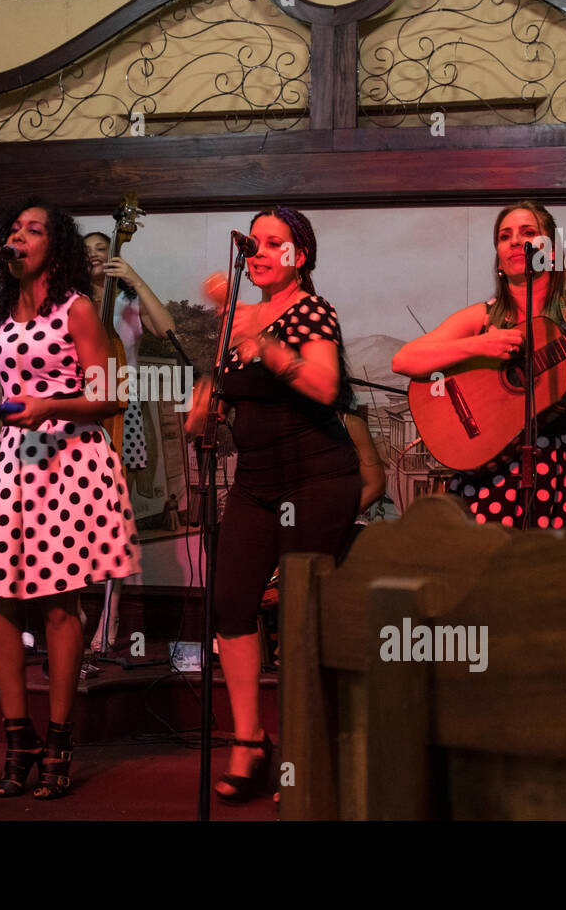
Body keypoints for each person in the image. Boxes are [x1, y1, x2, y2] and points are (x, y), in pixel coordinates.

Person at [0, 197, 140, 800]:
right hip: (16, 460)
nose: (19, 237)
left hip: (70, 458)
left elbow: (112, 399)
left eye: (34, 229)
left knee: (59, 602)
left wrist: (52, 404)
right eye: (14, 230)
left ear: (54, 245)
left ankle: (60, 738)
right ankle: (18, 737)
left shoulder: (77, 309)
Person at [187, 206, 361, 803]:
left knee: (299, 618)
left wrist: (261, 344)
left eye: (274, 243)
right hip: (257, 482)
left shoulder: (313, 310)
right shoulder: (239, 316)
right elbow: (225, 389)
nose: (258, 252)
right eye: (253, 243)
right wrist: (205, 402)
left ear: (300, 257)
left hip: (317, 478)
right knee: (231, 602)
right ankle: (249, 740)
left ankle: (307, 751)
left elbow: (323, 385)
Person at [391, 200, 566, 527]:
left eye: (528, 233)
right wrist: (482, 343)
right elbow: (403, 359)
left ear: (550, 251)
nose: (515, 241)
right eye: (505, 236)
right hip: (491, 472)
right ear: (499, 260)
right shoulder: (483, 315)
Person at [81, 232, 176, 653]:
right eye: (87, 252)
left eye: (103, 249)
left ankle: (111, 608)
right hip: (80, 408)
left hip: (122, 409)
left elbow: (166, 328)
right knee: (77, 514)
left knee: (114, 513)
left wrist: (134, 278)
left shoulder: (126, 300)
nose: (96, 257)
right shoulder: (74, 303)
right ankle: (76, 609)